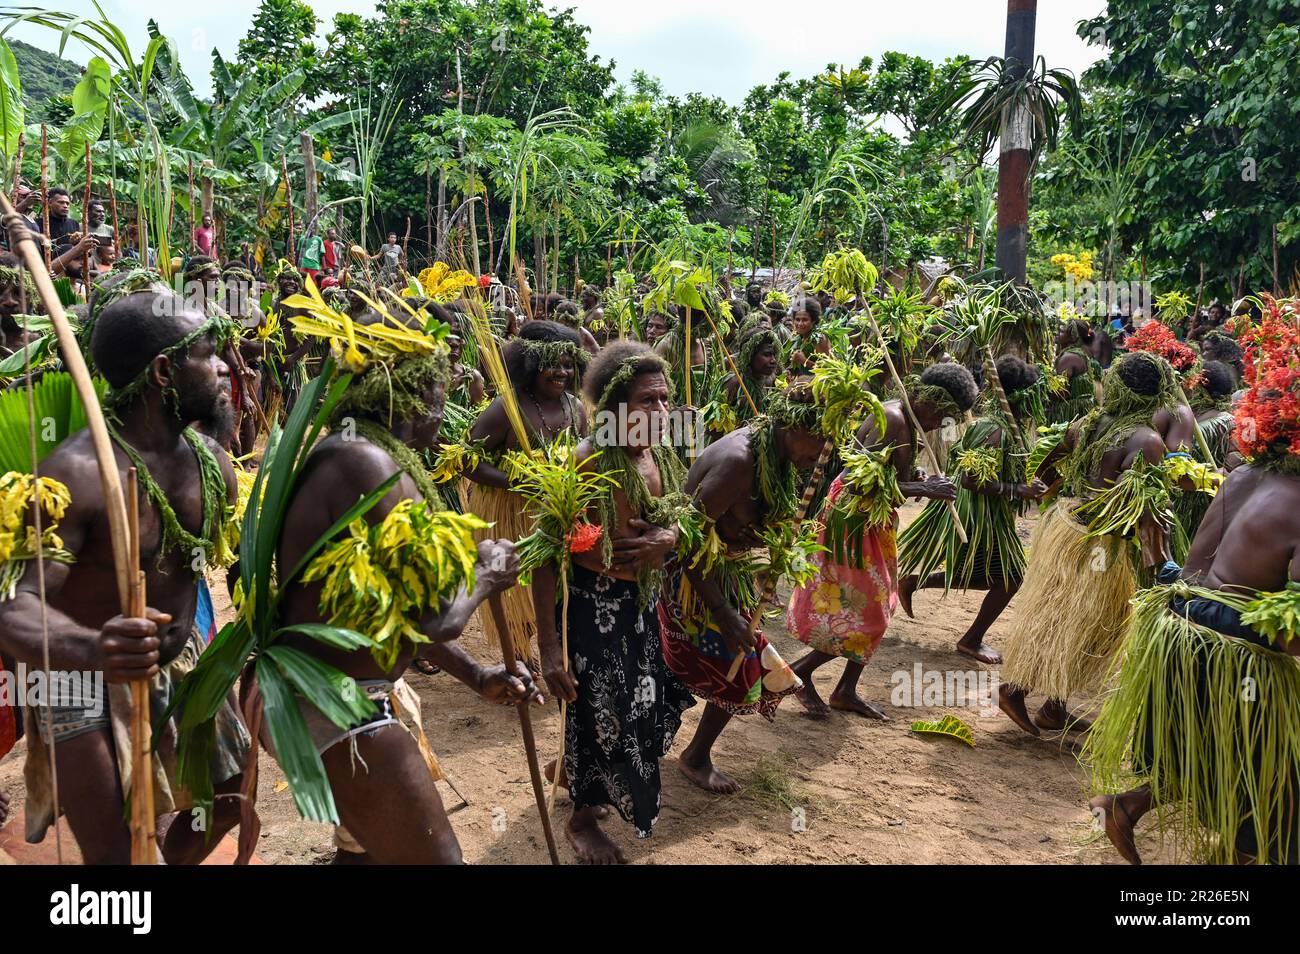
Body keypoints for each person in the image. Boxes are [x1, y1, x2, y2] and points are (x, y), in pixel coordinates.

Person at [265, 302, 540, 863]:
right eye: (440, 388)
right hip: (338, 708)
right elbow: (433, 617)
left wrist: (476, 673)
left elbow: (389, 609)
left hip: (340, 696)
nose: (447, 408)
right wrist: (488, 575)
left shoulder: (367, 454)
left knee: (363, 852)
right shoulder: (364, 462)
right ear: (411, 389)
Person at [0, 284, 249, 864]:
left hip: (183, 667)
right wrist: (96, 646)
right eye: (206, 353)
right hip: (76, 679)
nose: (221, 367)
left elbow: (233, 563)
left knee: (231, 800)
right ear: (164, 372)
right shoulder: (74, 475)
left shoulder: (211, 464)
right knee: (115, 856)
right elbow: (14, 606)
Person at [1086, 312, 1300, 864]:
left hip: (1180, 632)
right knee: (1274, 772)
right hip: (1238, 653)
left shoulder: (1241, 477)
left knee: (1216, 746)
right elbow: (1292, 632)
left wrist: (1160, 565)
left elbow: (1190, 573)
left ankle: (1128, 805)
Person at [532, 341, 696, 863]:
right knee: (600, 709)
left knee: (644, 705)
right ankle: (582, 818)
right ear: (615, 409)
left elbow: (684, 519)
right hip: (591, 609)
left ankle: (578, 775)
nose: (662, 412)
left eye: (665, 400)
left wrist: (666, 539)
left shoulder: (661, 457)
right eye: (649, 401)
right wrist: (550, 650)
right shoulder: (586, 463)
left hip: (642, 606)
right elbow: (543, 556)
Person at [998, 352, 1178, 736]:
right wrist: (1160, 563)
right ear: (1156, 395)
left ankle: (1055, 706)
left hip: (1066, 527)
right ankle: (1013, 690)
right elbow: (1144, 512)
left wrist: (1050, 488)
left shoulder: (1088, 422)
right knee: (1078, 620)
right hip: (1099, 544)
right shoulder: (1147, 441)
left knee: (1079, 618)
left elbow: (1051, 459)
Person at [787, 363, 977, 717]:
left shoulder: (907, 419)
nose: (941, 423)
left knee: (878, 608)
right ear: (930, 398)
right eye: (943, 414)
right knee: (865, 613)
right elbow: (858, 481)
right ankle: (800, 672)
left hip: (873, 523)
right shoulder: (892, 418)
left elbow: (887, 471)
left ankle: (844, 690)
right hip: (853, 522)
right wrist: (923, 487)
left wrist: (915, 475)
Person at [659, 391, 825, 793]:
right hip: (693, 582)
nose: (822, 455)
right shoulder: (739, 461)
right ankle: (686, 756)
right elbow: (687, 542)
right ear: (796, 426)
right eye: (820, 442)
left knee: (735, 663)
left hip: (725, 574)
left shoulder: (774, 453)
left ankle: (693, 754)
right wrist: (722, 611)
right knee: (735, 664)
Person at [897, 357, 1048, 666]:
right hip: (977, 512)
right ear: (1019, 396)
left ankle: (915, 582)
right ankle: (971, 639)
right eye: (1035, 395)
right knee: (1010, 578)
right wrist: (1019, 490)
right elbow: (971, 480)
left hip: (990, 512)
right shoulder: (995, 430)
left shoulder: (1005, 425)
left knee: (995, 575)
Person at [467, 321, 590, 663]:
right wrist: (518, 482)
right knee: (517, 590)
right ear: (531, 364)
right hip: (511, 513)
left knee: (557, 588)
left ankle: (549, 646)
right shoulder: (506, 407)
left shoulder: (576, 408)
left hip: (555, 513)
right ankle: (519, 654)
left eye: (568, 364)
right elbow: (464, 460)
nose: (561, 372)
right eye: (553, 363)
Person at [718, 324, 778, 431]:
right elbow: (713, 428)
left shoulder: (769, 380)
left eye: (773, 354)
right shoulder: (734, 383)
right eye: (766, 354)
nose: (773, 360)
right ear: (749, 355)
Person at [1047, 319, 1100, 424]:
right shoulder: (1078, 353)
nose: (1057, 333)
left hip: (1070, 416)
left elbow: (1061, 392)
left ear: (1072, 337)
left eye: (1062, 332)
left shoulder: (1068, 358)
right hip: (1081, 413)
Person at [786, 297, 830, 380]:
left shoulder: (820, 339)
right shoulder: (799, 338)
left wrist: (804, 361)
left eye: (805, 320)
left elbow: (829, 369)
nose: (800, 324)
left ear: (813, 321)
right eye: (797, 319)